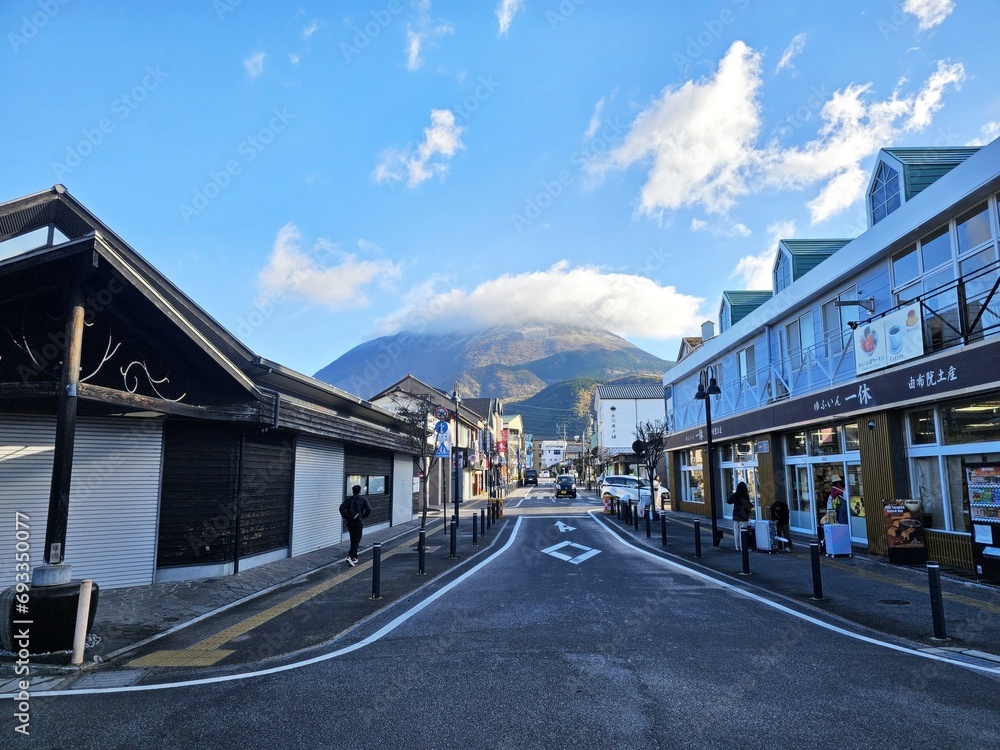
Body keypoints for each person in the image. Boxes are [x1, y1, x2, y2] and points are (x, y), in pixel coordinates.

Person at [339, 484, 372, 567]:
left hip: (350, 522)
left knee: (353, 539)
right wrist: (363, 516)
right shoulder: (363, 499)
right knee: (357, 540)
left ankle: (354, 557)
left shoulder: (349, 499)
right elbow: (368, 509)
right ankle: (350, 557)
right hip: (358, 522)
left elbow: (341, 508)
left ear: (353, 491)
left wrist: (344, 516)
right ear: (360, 491)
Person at [727, 481, 754, 551]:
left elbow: (729, 501)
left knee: (736, 531)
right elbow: (749, 505)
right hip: (743, 516)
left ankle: (737, 547)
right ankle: (743, 547)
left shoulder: (735, 495)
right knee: (743, 531)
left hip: (736, 515)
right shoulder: (745, 496)